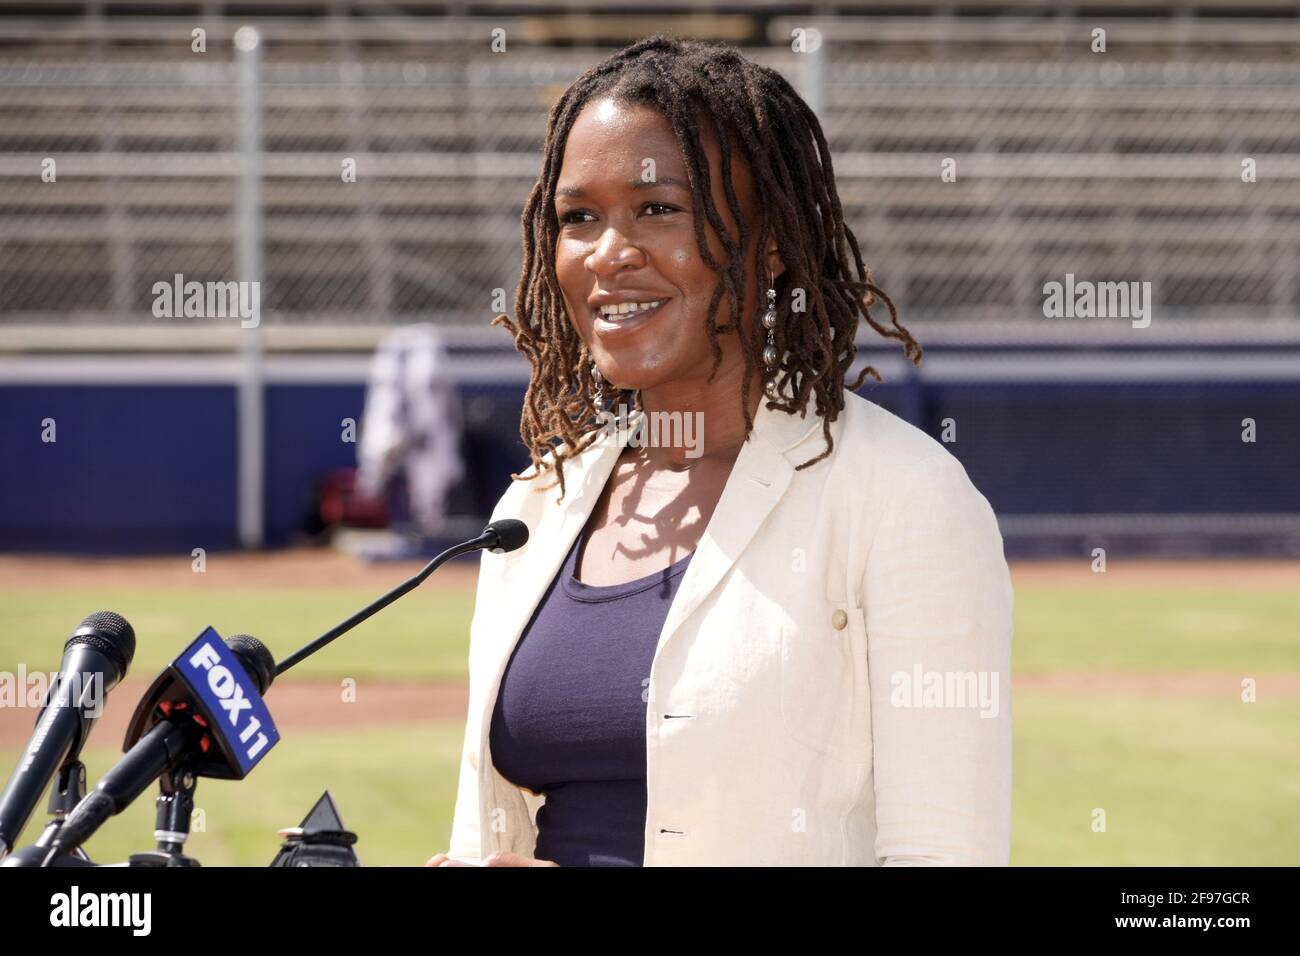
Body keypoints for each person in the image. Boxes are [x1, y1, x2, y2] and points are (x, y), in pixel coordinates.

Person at [426, 35, 1012, 867]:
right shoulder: (535, 507)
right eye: (578, 217)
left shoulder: (903, 497)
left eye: (658, 208)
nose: (609, 254)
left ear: (769, 241)